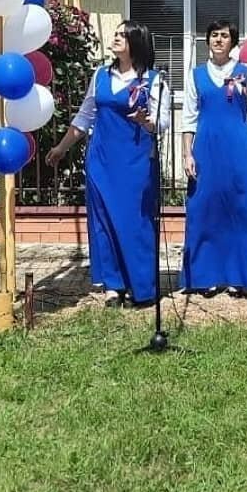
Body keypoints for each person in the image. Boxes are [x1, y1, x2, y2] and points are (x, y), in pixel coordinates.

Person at [46, 20, 171, 308]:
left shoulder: (153, 80)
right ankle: (113, 287)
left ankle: (141, 287)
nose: (114, 38)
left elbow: (162, 121)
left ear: (135, 43)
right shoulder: (100, 75)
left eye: (121, 36)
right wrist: (61, 148)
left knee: (135, 223)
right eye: (114, 34)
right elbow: (84, 116)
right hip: (101, 161)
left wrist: (147, 121)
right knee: (103, 222)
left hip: (137, 162)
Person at [181, 19, 247, 297]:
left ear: (233, 42)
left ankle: (238, 275)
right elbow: (189, 118)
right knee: (205, 210)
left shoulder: (246, 74)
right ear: (207, 40)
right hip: (206, 149)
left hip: (239, 149)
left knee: (241, 210)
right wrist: (187, 153)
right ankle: (205, 275)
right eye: (214, 35)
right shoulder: (195, 75)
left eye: (224, 36)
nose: (219, 40)